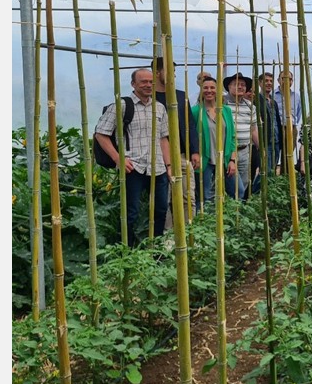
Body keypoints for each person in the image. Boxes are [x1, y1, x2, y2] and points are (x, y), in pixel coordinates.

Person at [94, 68, 172, 246]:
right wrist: (118, 158)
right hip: (133, 166)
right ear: (133, 84)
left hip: (157, 167)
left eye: (151, 82)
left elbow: (163, 138)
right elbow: (101, 134)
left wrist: (168, 165)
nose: (148, 85)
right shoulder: (121, 105)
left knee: (160, 209)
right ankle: (127, 250)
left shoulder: (159, 108)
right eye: (143, 81)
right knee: (131, 212)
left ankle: (156, 247)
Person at [151, 57, 200, 217]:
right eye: (170, 72)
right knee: (164, 200)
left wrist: (194, 150)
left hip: (182, 154)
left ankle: (190, 231)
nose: (173, 76)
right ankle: (168, 236)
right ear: (157, 73)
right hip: (158, 157)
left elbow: (190, 125)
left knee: (188, 196)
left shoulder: (180, 96)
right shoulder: (149, 98)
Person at [190, 76, 239, 205]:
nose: (209, 90)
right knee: (205, 196)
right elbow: (191, 136)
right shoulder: (195, 112)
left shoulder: (226, 111)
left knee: (237, 190)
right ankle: (206, 221)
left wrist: (232, 160)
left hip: (226, 158)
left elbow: (232, 137)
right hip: (205, 160)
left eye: (212, 87)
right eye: (205, 88)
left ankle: (232, 218)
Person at [223, 72, 259, 200]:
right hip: (227, 151)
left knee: (243, 185)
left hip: (244, 150)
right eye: (236, 84)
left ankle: (239, 214)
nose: (240, 87)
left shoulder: (250, 107)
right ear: (228, 86)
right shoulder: (222, 103)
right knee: (233, 186)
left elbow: (253, 129)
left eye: (243, 85)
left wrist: (260, 147)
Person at [252, 72, 284, 194]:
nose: (269, 83)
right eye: (266, 81)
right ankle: (253, 195)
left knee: (271, 172)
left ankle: (266, 195)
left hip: (275, 141)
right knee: (265, 171)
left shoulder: (273, 102)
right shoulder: (257, 100)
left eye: (271, 81)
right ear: (260, 83)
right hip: (266, 142)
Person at [273, 71, 304, 170]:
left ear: (292, 81)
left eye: (289, 79)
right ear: (278, 80)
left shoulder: (296, 96)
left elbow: (298, 114)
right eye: (283, 79)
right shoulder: (273, 95)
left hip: (291, 128)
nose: (287, 81)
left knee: (288, 155)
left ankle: (285, 176)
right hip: (276, 127)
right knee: (275, 152)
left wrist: (293, 124)